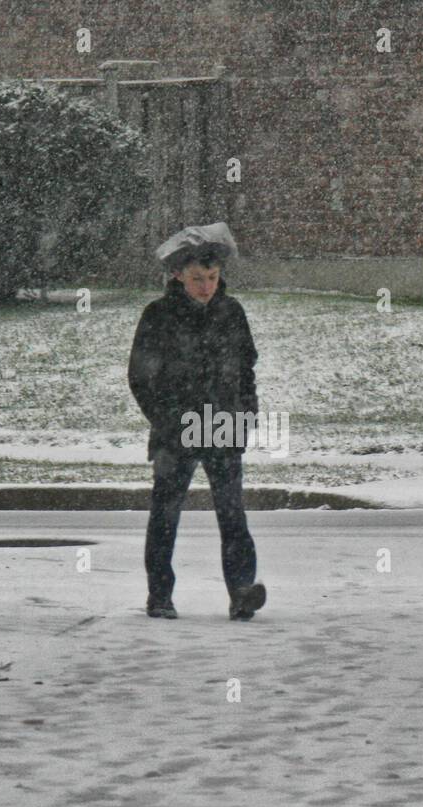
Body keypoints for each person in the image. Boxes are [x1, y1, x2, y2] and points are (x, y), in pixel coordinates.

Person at [128, 222, 267, 621]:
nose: (206, 286)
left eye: (212, 277)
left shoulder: (232, 312)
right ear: (177, 276)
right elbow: (141, 377)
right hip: (177, 430)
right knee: (166, 516)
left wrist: (246, 412)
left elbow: (246, 368)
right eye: (196, 279)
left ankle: (242, 591)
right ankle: (160, 595)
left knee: (233, 515)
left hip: (223, 426)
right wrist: (170, 422)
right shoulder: (158, 315)